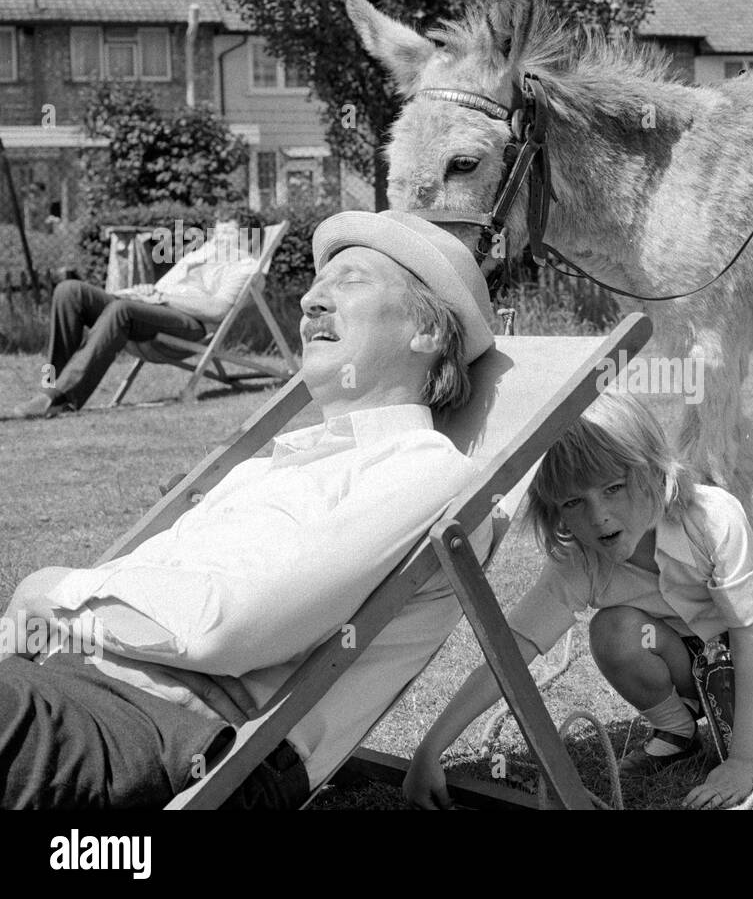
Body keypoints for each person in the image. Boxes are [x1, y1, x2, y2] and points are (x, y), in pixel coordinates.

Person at [0, 210, 497, 808]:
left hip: (168, 742)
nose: (312, 299)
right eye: (318, 285)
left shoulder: (423, 470)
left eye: (352, 281)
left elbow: (223, 627)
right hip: (70, 693)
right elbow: (154, 606)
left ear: (428, 332)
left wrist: (50, 593)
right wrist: (77, 616)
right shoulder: (265, 469)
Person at [403, 391, 753, 811]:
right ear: (553, 511)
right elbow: (510, 650)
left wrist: (742, 762)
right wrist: (430, 747)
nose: (598, 516)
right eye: (573, 503)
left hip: (752, 646)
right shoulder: (580, 560)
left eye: (614, 488)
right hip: (683, 663)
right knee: (613, 629)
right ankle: (677, 731)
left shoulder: (714, 516)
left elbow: (750, 638)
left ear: (655, 472)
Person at [7, 218, 261, 419]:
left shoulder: (244, 266)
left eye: (228, 234)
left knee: (122, 310)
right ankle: (48, 386)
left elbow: (217, 309)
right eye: (217, 233)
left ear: (246, 238)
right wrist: (140, 293)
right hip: (155, 309)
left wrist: (160, 298)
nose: (219, 240)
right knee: (69, 291)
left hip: (188, 324)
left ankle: (62, 398)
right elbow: (162, 287)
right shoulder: (201, 255)